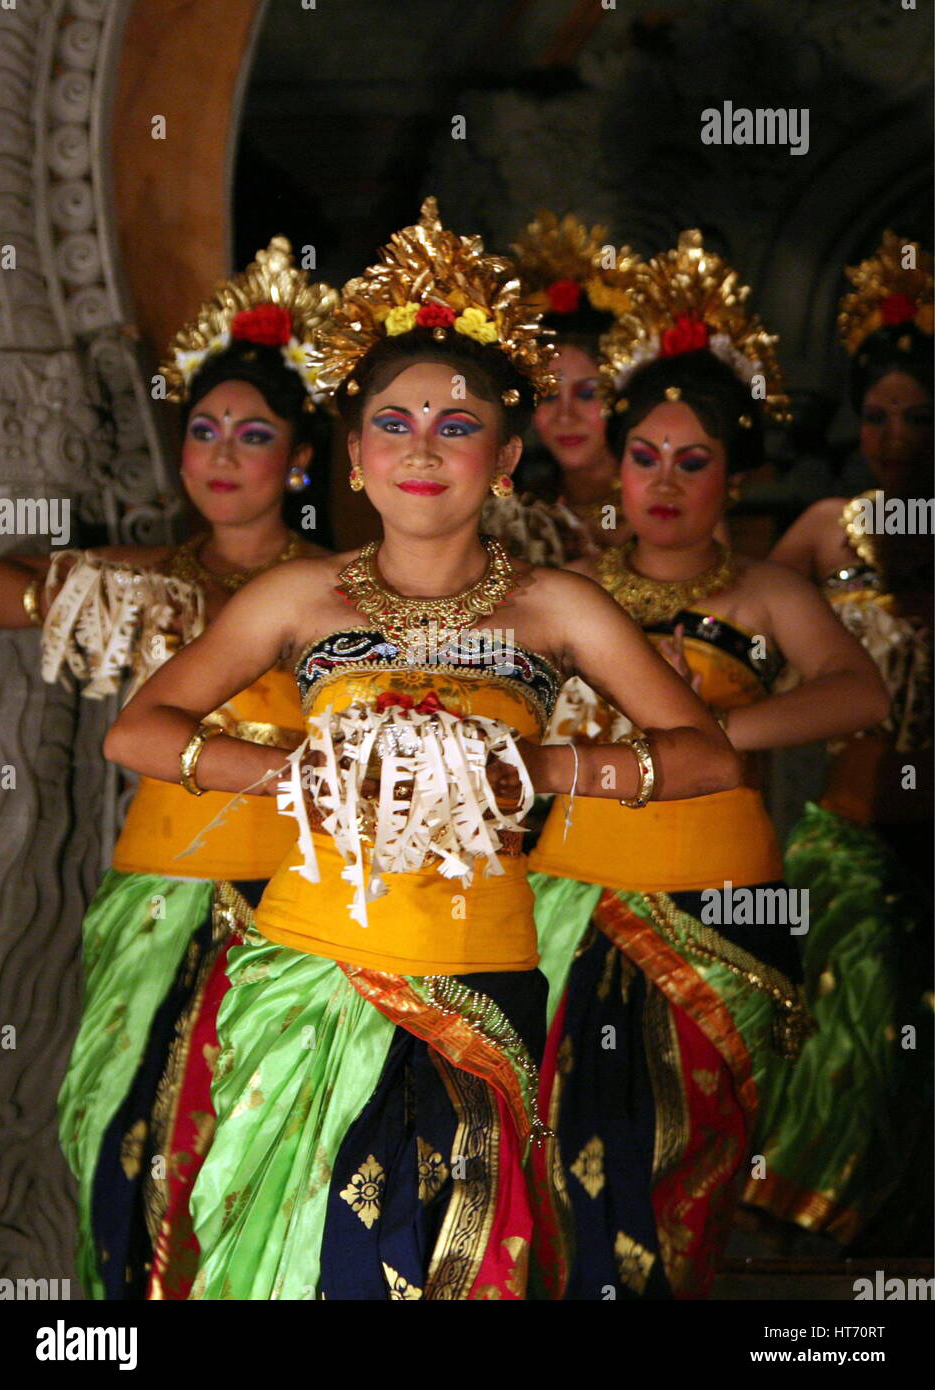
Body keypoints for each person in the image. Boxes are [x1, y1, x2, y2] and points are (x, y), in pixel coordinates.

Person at [103, 198, 741, 1301]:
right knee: (280, 1262)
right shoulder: (299, 597)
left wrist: (549, 770)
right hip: (304, 972)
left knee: (449, 1263)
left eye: (456, 427)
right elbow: (140, 729)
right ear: (351, 456)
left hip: (475, 982)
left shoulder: (556, 610)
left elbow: (706, 755)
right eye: (392, 423)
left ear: (502, 459)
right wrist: (292, 771)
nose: (421, 450)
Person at [525, 230, 891, 1298]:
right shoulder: (568, 585)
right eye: (643, 456)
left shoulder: (763, 592)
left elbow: (856, 694)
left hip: (714, 894)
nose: (664, 482)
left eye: (695, 461)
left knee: (679, 1145)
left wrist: (709, 740)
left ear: (736, 473)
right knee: (560, 1137)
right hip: (567, 892)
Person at [0, 237, 337, 1298]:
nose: (222, 455)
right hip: (152, 904)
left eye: (256, 435)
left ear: (304, 460)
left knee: (254, 1163)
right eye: (203, 431)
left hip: (291, 916)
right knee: (119, 1137)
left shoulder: (341, 598)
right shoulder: (142, 585)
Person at [750, 233, 933, 1249]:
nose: (893, 435)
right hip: (849, 822)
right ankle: (813, 1211)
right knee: (857, 1010)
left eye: (917, 415)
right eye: (875, 415)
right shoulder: (825, 527)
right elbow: (737, 631)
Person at [479, 212, 638, 566]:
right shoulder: (516, 512)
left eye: (586, 394)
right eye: (550, 395)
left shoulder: (662, 506)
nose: (566, 416)